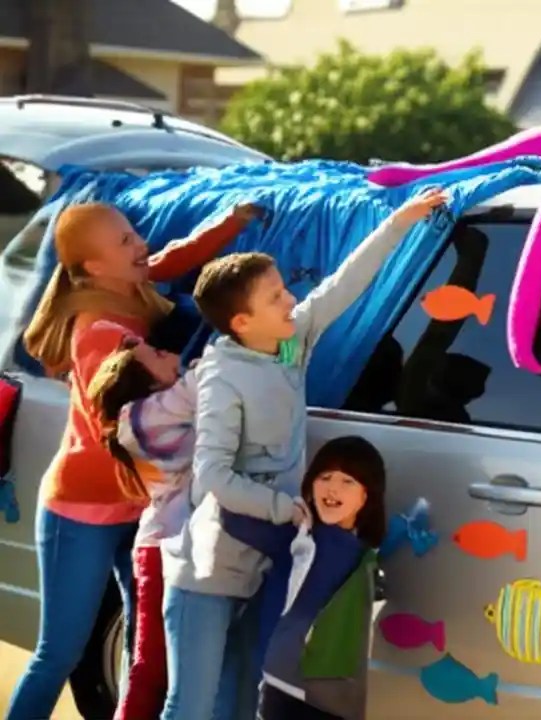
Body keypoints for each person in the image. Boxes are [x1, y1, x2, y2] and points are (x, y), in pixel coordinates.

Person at [159, 189, 448, 720]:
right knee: (192, 706)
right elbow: (212, 476)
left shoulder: (290, 343)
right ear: (242, 323)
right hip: (210, 568)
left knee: (246, 694)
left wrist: (401, 222)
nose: (290, 299)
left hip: (269, 562)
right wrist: (286, 510)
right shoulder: (222, 377)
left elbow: (346, 283)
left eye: (283, 288)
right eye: (275, 297)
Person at [6, 201, 259, 720]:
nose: (139, 244)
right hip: (81, 512)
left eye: (133, 233)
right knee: (61, 651)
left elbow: (171, 257)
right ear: (94, 267)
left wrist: (231, 222)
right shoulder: (98, 332)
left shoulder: (132, 288)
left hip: (137, 507)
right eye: (124, 242)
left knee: (140, 647)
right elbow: (121, 425)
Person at [220, 436, 388, 720]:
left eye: (348, 481)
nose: (333, 487)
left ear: (366, 496)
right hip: (287, 686)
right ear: (310, 483)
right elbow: (231, 518)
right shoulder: (297, 537)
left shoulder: (363, 557)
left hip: (320, 692)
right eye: (325, 477)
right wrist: (288, 510)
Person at [84, 333, 197, 720]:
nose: (172, 351)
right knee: (152, 669)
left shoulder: (156, 410)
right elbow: (211, 374)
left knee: (157, 668)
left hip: (168, 546)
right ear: (148, 383)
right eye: (159, 353)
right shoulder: (145, 416)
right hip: (164, 549)